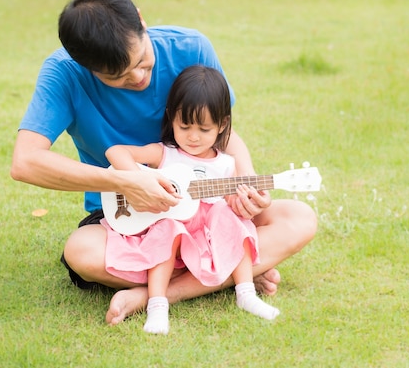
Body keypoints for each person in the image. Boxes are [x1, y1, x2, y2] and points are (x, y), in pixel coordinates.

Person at [10, 0, 317, 325]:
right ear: (85, 65)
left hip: (206, 211)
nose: (139, 78)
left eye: (141, 61)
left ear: (141, 20)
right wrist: (124, 181)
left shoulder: (190, 48)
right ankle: (229, 270)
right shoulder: (64, 73)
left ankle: (155, 294)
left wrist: (245, 183)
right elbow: (26, 161)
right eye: (119, 78)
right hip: (127, 220)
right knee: (81, 251)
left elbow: (223, 135)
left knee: (299, 219)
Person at [104, 65, 280, 334]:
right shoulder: (164, 154)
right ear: (170, 118)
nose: (193, 136)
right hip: (174, 232)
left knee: (234, 219)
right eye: (184, 126)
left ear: (222, 126)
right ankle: (157, 306)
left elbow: (235, 209)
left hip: (207, 239)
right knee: (168, 228)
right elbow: (116, 152)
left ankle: (246, 294)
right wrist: (139, 182)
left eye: (204, 129)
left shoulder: (226, 165)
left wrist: (246, 200)